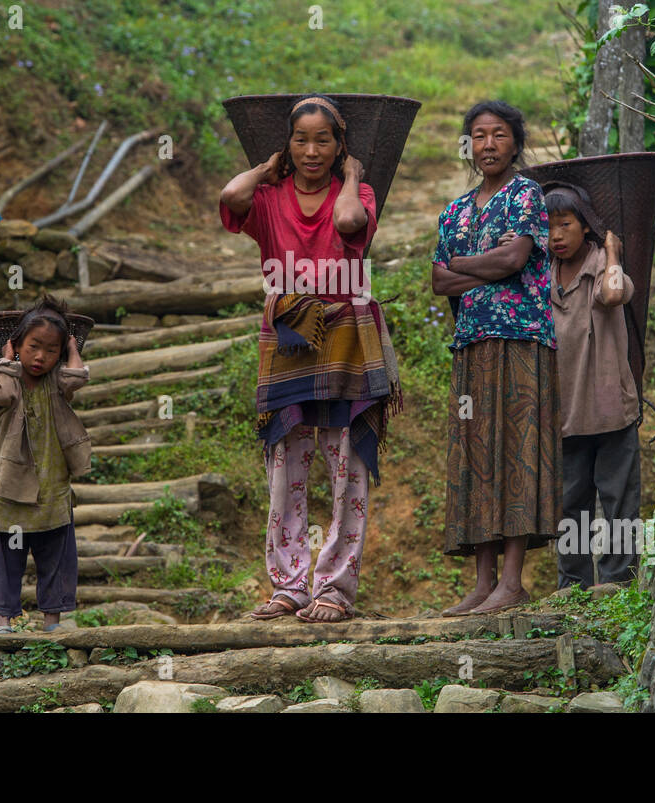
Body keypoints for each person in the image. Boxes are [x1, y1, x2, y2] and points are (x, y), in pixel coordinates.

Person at [220, 93, 402, 623]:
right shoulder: (270, 195)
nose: (311, 149)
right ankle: (290, 584)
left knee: (348, 470)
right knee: (285, 467)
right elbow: (231, 195)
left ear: (340, 146)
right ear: (287, 145)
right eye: (301, 139)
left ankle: (335, 590)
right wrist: (266, 167)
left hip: (347, 337)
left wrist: (351, 176)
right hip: (288, 341)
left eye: (323, 139)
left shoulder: (358, 192)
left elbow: (348, 224)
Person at [431, 99, 562, 616]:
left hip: (523, 340)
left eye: (499, 135)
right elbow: (440, 281)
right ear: (468, 145)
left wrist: (469, 263)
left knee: (518, 450)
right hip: (472, 344)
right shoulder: (455, 210)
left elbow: (515, 258)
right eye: (479, 136)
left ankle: (513, 581)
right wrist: (489, 265)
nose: (488, 144)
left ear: (516, 142)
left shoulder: (527, 194)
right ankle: (482, 584)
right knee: (478, 454)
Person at [543, 182, 642, 589]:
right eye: (548, 227)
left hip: (609, 408)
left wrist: (614, 250)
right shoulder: (542, 271)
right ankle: (573, 587)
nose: (556, 236)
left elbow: (615, 293)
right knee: (571, 506)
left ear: (585, 226)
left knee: (618, 502)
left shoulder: (603, 264)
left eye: (565, 224)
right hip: (564, 413)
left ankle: (618, 583)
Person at [0, 295, 91, 632]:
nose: (41, 356)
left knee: (56, 550)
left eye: (52, 350)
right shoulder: (9, 381)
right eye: (33, 346)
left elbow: (75, 378)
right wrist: (8, 361)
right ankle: (3, 618)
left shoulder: (57, 382)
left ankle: (52, 620)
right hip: (12, 482)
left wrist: (72, 348)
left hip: (52, 482)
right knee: (5, 554)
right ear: (17, 345)